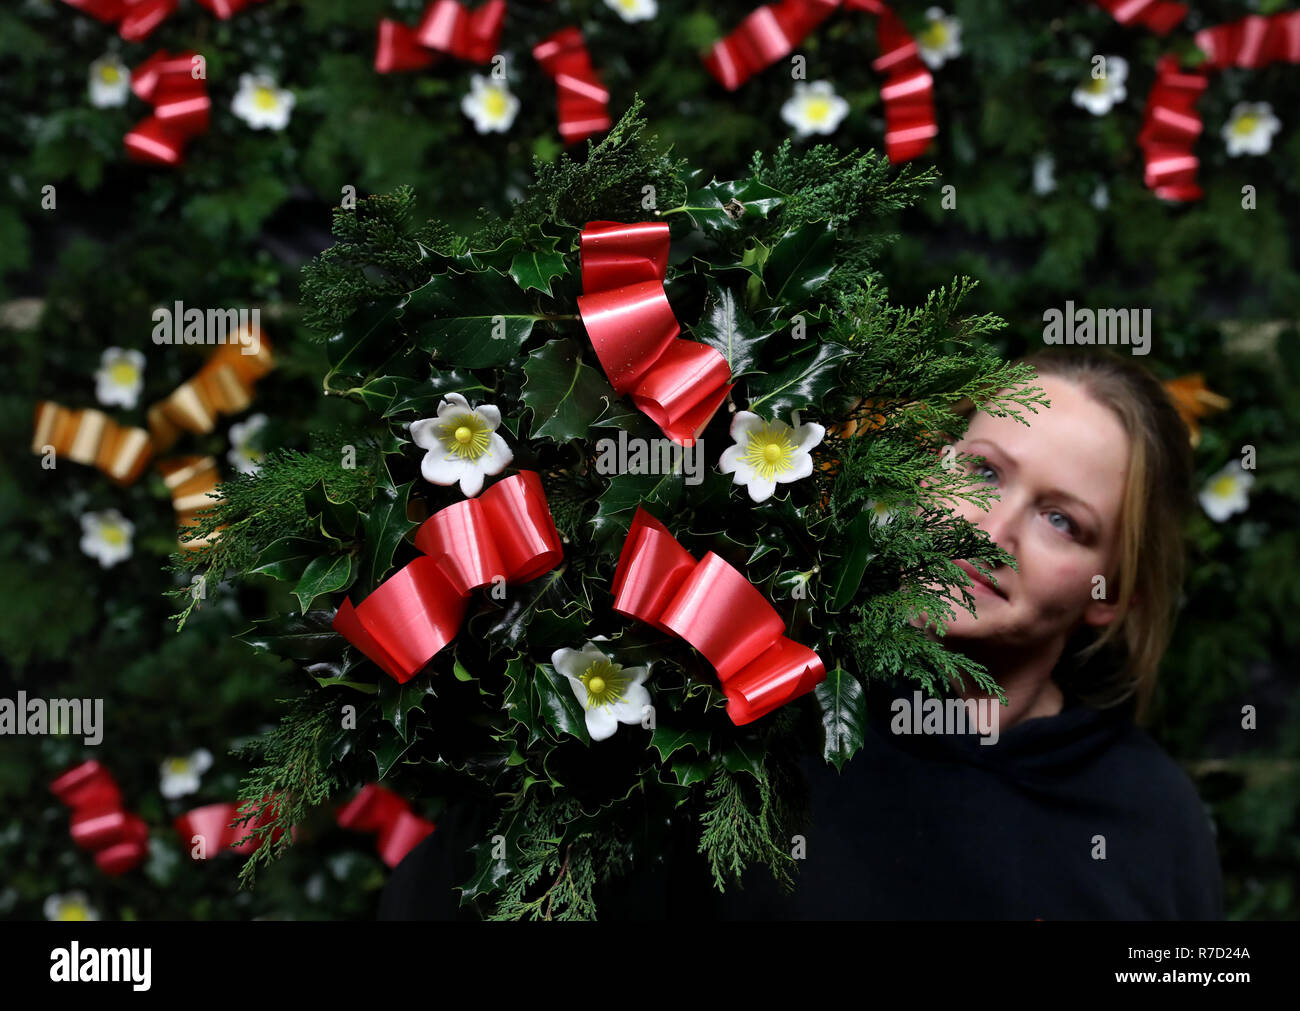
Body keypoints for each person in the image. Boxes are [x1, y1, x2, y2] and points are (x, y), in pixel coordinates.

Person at [379, 348, 1224, 920]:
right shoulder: (749, 699)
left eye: (1061, 521)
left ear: (1112, 593)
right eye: (981, 472)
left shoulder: (1149, 817)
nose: (990, 531)